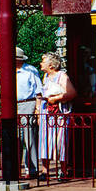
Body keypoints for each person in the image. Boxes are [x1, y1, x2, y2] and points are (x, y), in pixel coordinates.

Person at [37, 52, 76, 180]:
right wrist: (38, 111)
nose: (41, 63)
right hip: (46, 113)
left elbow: (71, 93)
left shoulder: (62, 76)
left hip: (59, 114)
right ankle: (45, 170)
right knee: (45, 140)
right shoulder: (45, 76)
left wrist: (56, 98)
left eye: (43, 61)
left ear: (51, 65)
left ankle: (63, 170)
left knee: (60, 141)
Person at [15, 47, 44, 181]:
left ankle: (31, 169)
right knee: (15, 138)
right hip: (14, 105)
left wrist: (37, 108)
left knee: (29, 137)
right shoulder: (8, 70)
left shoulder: (30, 70)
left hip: (27, 103)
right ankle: (15, 168)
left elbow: (38, 91)